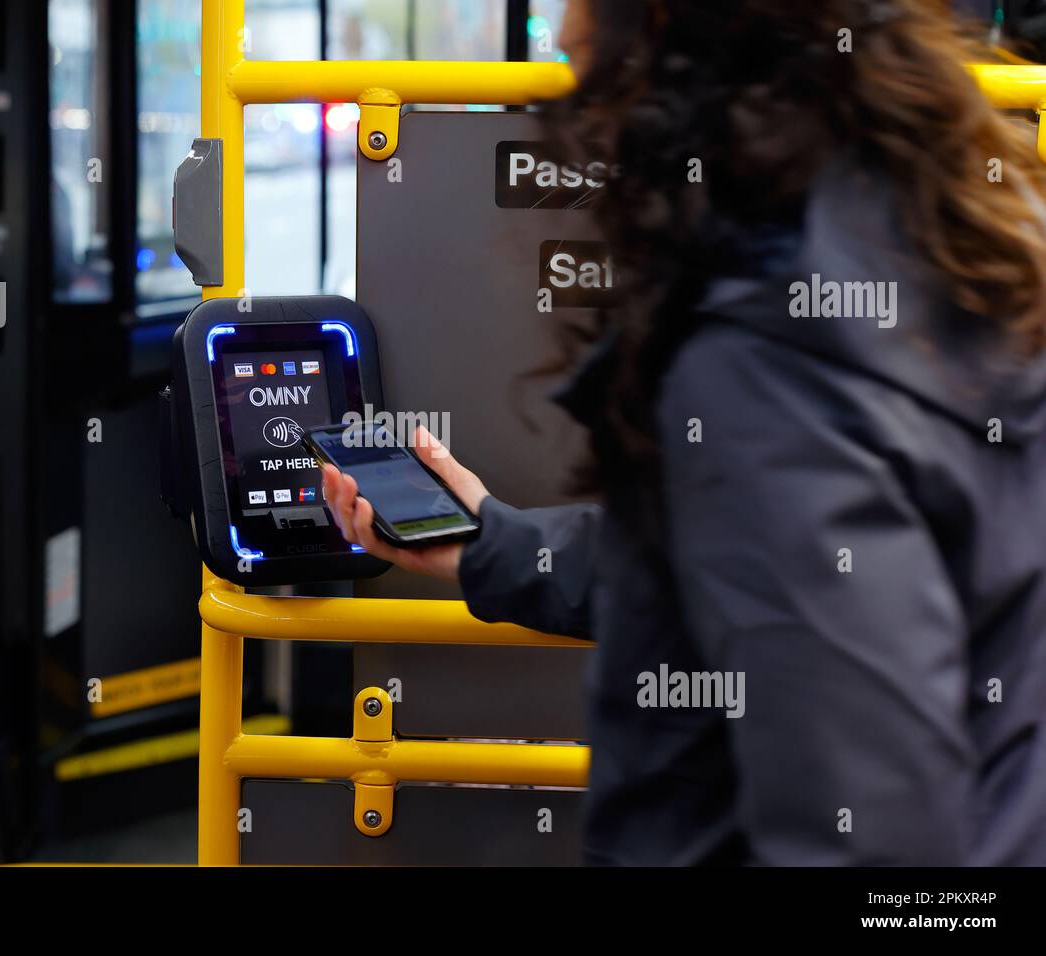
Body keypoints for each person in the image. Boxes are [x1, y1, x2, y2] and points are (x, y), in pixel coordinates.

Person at [322, 0, 1046, 865]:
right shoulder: (959, 249)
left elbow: (871, 835)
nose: (562, 30)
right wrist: (496, 545)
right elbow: (769, 573)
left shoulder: (767, 368)